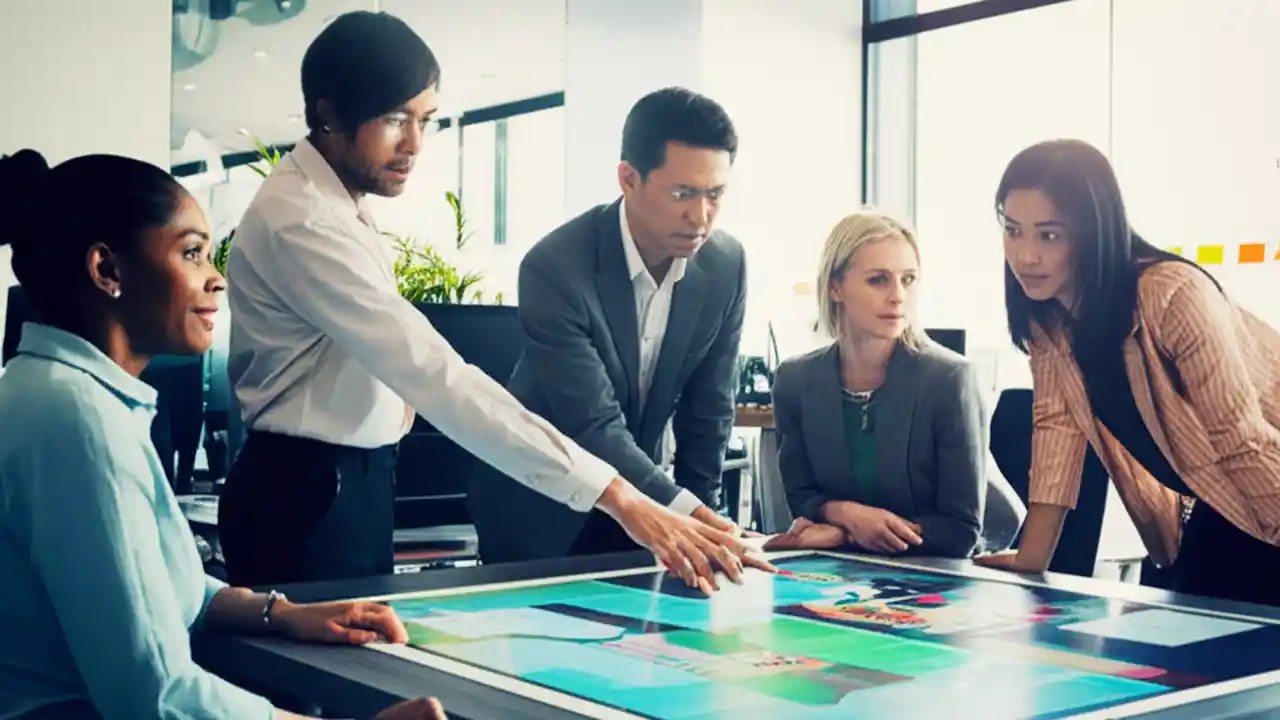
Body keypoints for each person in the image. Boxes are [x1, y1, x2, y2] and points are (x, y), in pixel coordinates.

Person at [219, 12, 764, 592]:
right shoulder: (304, 221)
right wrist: (621, 495)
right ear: (328, 114)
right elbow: (438, 378)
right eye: (394, 119)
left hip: (353, 483)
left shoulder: (340, 205)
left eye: (424, 120)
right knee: (320, 679)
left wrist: (695, 512)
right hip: (304, 492)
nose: (414, 145)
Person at [0, 150, 443, 719]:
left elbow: (165, 584)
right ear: (107, 271)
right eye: (191, 253)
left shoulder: (58, 390)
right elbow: (155, 696)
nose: (216, 279)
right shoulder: (77, 418)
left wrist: (280, 612)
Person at [973, 139, 1280, 606]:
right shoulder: (1049, 317)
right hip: (1222, 506)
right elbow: (1057, 431)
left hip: (1265, 484)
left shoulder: (1172, 295)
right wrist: (1031, 557)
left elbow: (1244, 442)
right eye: (1013, 231)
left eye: (1049, 235)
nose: (1026, 256)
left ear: (1093, 232)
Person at [468, 87, 755, 563]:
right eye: (682, 194)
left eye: (715, 195)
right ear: (628, 178)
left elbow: (709, 412)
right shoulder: (555, 266)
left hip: (647, 509)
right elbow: (593, 423)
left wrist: (708, 524)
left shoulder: (727, 265)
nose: (700, 216)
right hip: (541, 512)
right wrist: (685, 510)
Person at [762, 209, 996, 558]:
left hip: (933, 580)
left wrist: (846, 534)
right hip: (832, 579)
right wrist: (846, 514)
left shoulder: (949, 380)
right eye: (878, 280)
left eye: (908, 280)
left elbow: (960, 531)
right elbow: (801, 498)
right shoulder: (795, 381)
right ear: (835, 287)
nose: (898, 295)